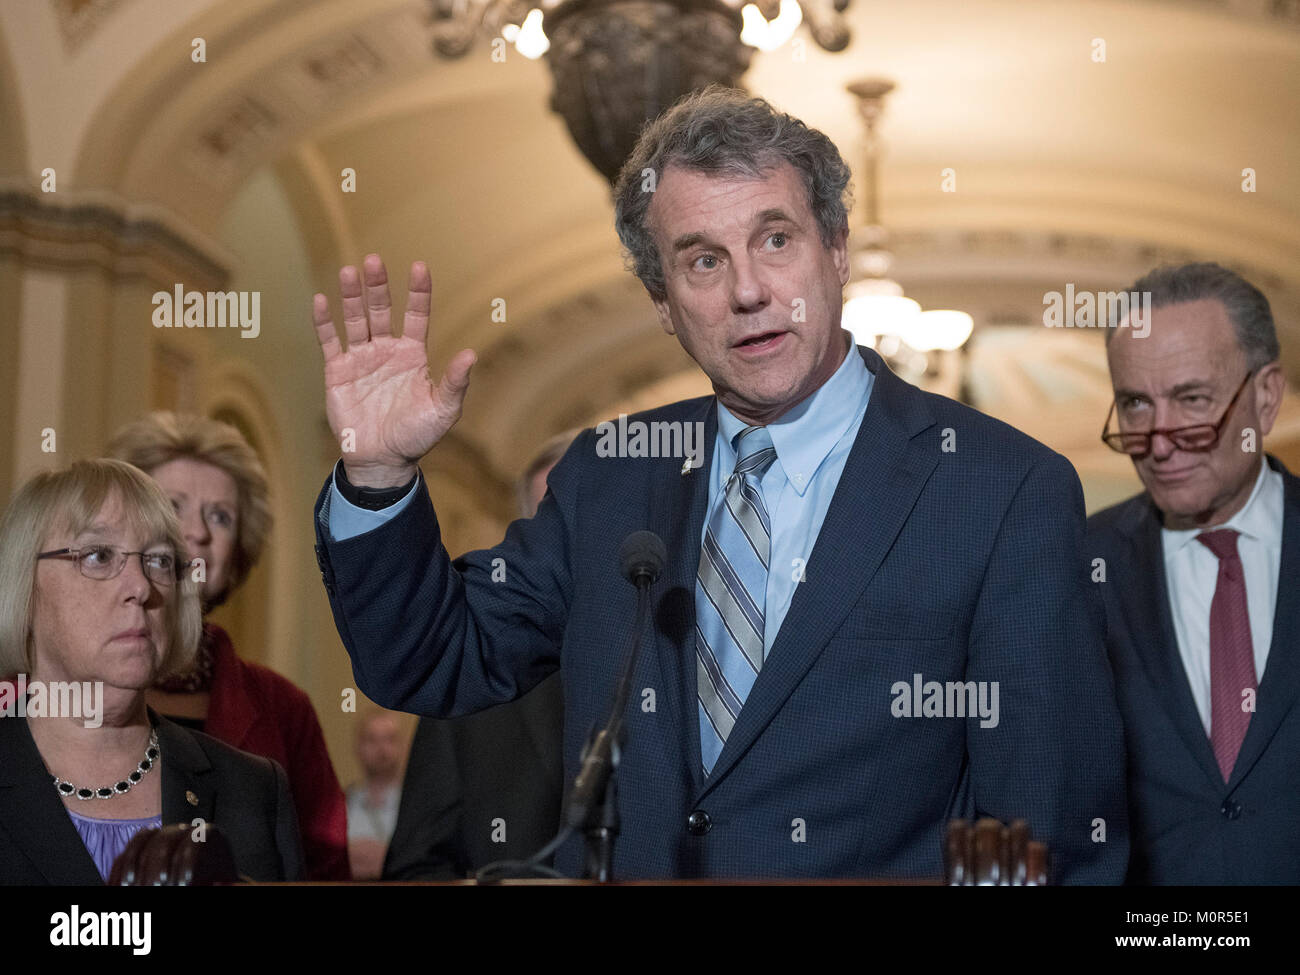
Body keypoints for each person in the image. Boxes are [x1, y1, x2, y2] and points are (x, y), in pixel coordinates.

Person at [310, 87, 1127, 881]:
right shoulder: (609, 476)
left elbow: (1050, 835)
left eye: (776, 240)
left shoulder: (999, 489)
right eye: (703, 259)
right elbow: (435, 660)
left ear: (836, 247)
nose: (747, 290)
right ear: (662, 301)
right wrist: (377, 472)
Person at [1086, 262, 1296, 884]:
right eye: (1135, 404)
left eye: (1193, 399)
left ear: (1266, 396)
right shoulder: (1075, 565)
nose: (1159, 439)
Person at [0, 459, 302, 884]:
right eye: (99, 555)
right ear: (25, 588)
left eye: (159, 561)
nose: (141, 587)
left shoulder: (253, 789)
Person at [108, 412, 349, 880]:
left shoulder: (285, 708)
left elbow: (325, 869)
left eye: (220, 516)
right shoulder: (49, 688)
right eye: (173, 506)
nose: (197, 532)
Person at [383, 435, 569, 880]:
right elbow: (418, 867)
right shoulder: (469, 678)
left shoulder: (699, 654)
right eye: (553, 519)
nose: (573, 536)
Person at [345, 709, 404, 879]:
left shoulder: (417, 806)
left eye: (390, 739)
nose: (382, 749)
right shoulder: (343, 805)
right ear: (358, 747)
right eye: (372, 740)